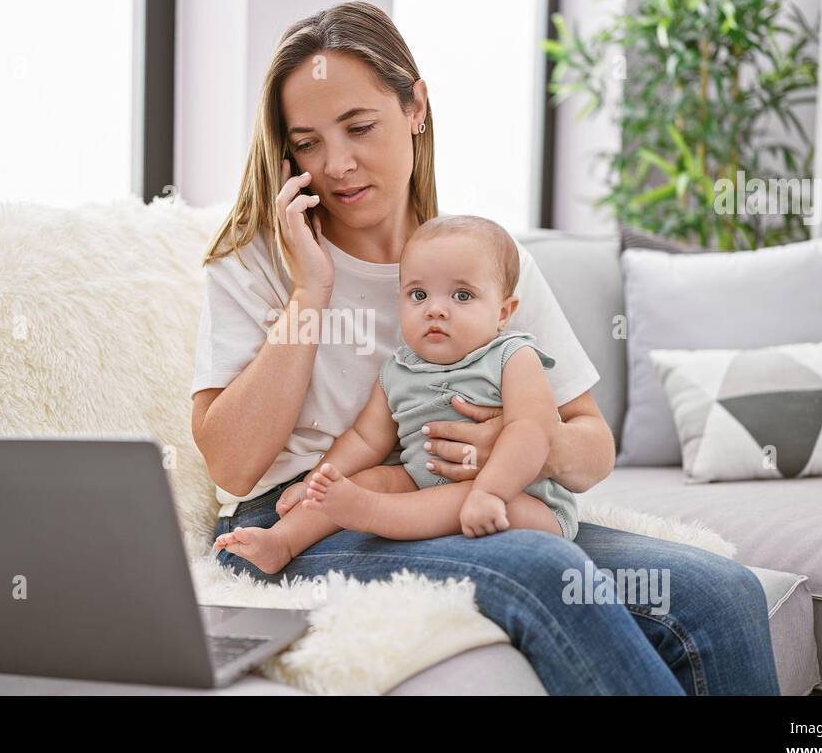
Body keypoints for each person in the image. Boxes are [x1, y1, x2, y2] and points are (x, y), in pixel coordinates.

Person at [190, 0, 779, 695]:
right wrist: (310, 291)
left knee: (724, 594)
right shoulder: (258, 259)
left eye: (358, 127)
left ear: (416, 106)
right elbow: (231, 461)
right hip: (308, 519)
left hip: (467, 499)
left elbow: (591, 447)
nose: (338, 165)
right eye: (309, 142)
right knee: (541, 566)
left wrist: (520, 440)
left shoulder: (473, 262)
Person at [214, 214, 580, 576]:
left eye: (462, 295)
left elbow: (532, 431)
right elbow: (365, 439)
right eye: (418, 295)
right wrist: (313, 485)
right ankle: (283, 542)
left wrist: (490, 492)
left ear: (503, 312)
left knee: (446, 497)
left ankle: (374, 515)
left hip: (519, 501)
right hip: (423, 480)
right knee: (369, 480)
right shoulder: (398, 370)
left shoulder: (512, 356)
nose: (435, 309)